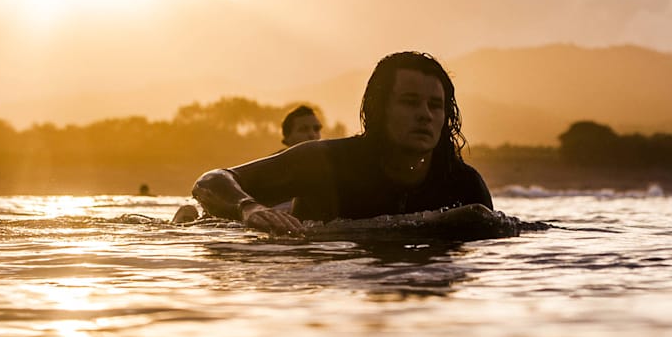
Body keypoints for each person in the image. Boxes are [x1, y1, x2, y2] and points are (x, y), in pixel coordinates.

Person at [192, 51, 492, 235]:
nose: (425, 116)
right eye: (410, 102)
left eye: (435, 106)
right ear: (379, 109)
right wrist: (250, 209)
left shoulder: (463, 186)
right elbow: (210, 182)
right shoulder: (326, 163)